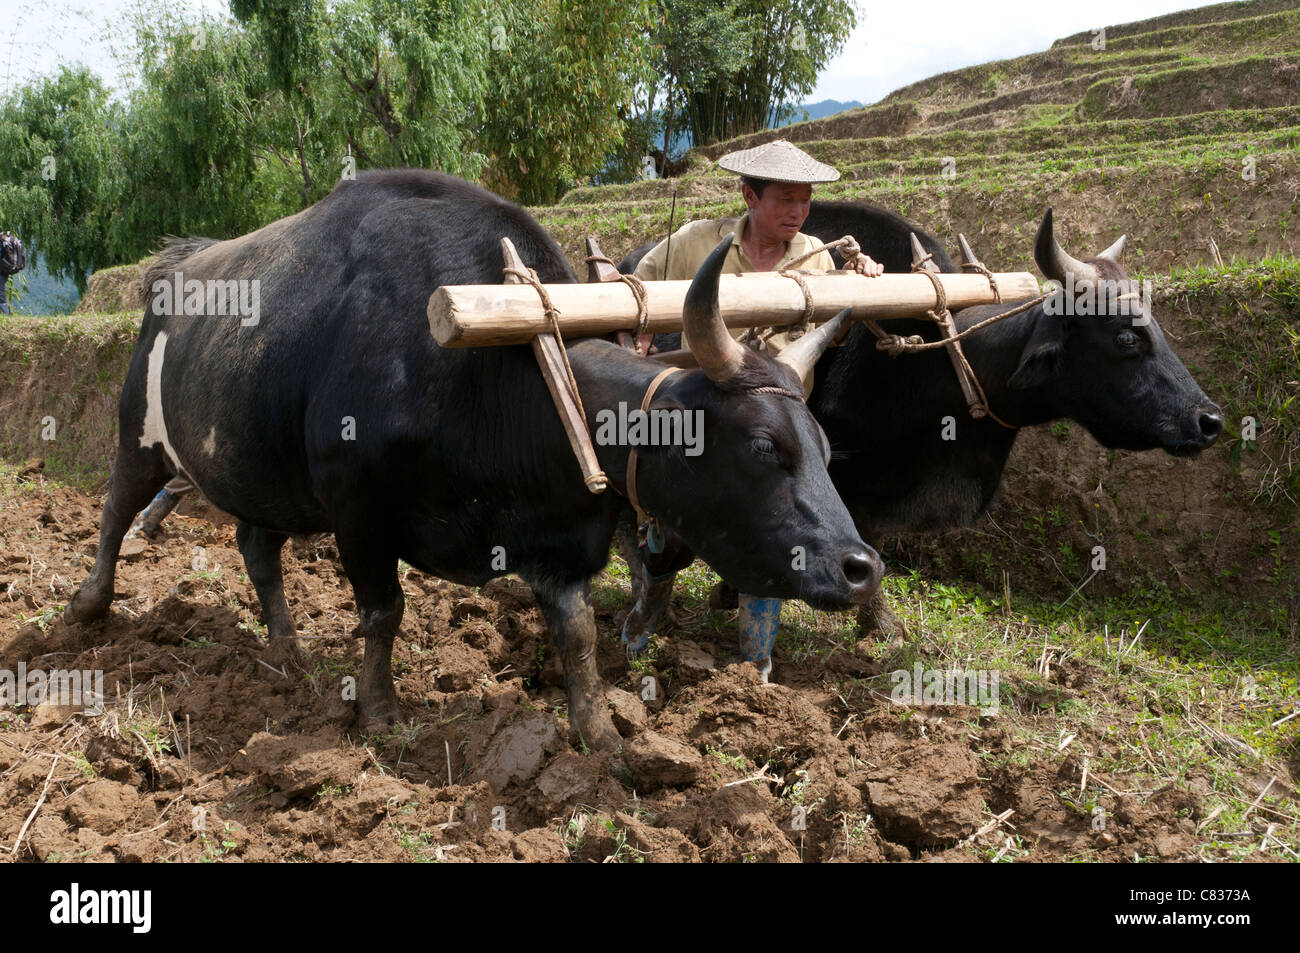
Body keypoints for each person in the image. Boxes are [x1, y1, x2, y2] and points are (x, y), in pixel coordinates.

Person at [629, 139, 883, 680]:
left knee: (774, 536)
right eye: (784, 200)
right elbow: (633, 285)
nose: (797, 211)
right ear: (749, 195)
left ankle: (755, 663)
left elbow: (844, 307)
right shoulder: (696, 242)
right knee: (666, 524)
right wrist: (636, 328)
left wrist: (865, 277)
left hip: (774, 440)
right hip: (701, 425)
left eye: (805, 200)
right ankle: (647, 613)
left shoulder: (818, 255)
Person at [0, 231, 27, 315]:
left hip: (1, 271)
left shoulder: (2, 242)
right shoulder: (3, 241)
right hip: (4, 270)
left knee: (1, 296)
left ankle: (5, 315)